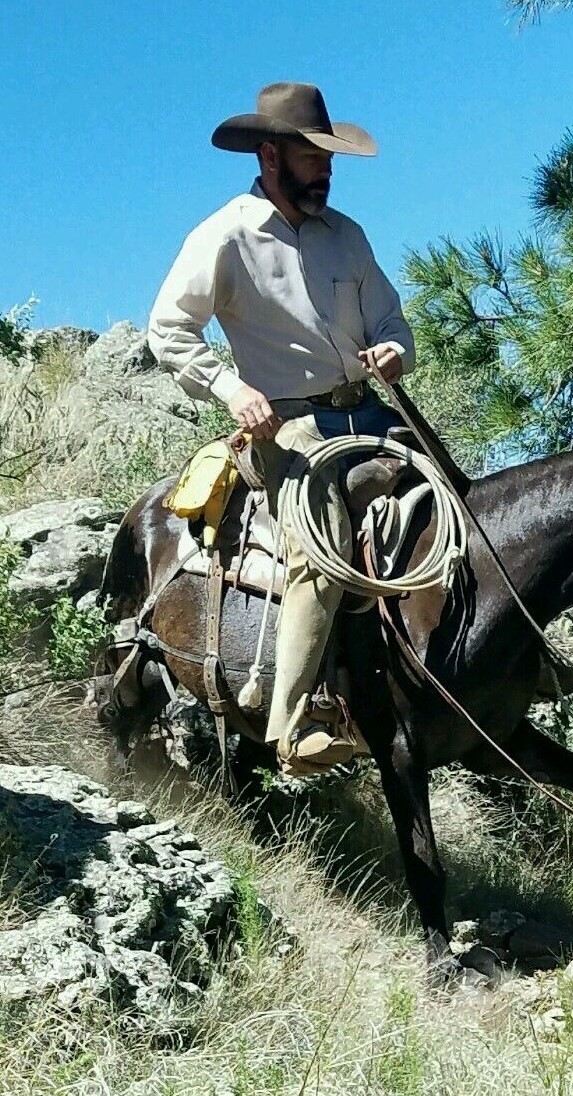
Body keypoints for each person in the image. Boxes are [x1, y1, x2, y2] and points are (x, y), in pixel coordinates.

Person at [148, 82, 415, 774]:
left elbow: (391, 319)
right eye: (310, 156)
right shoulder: (225, 234)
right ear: (269, 156)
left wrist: (393, 348)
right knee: (322, 544)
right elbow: (168, 330)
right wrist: (232, 389)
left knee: (463, 501)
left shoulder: (347, 237)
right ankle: (294, 725)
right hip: (286, 425)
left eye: (329, 158)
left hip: (369, 411)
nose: (325, 170)